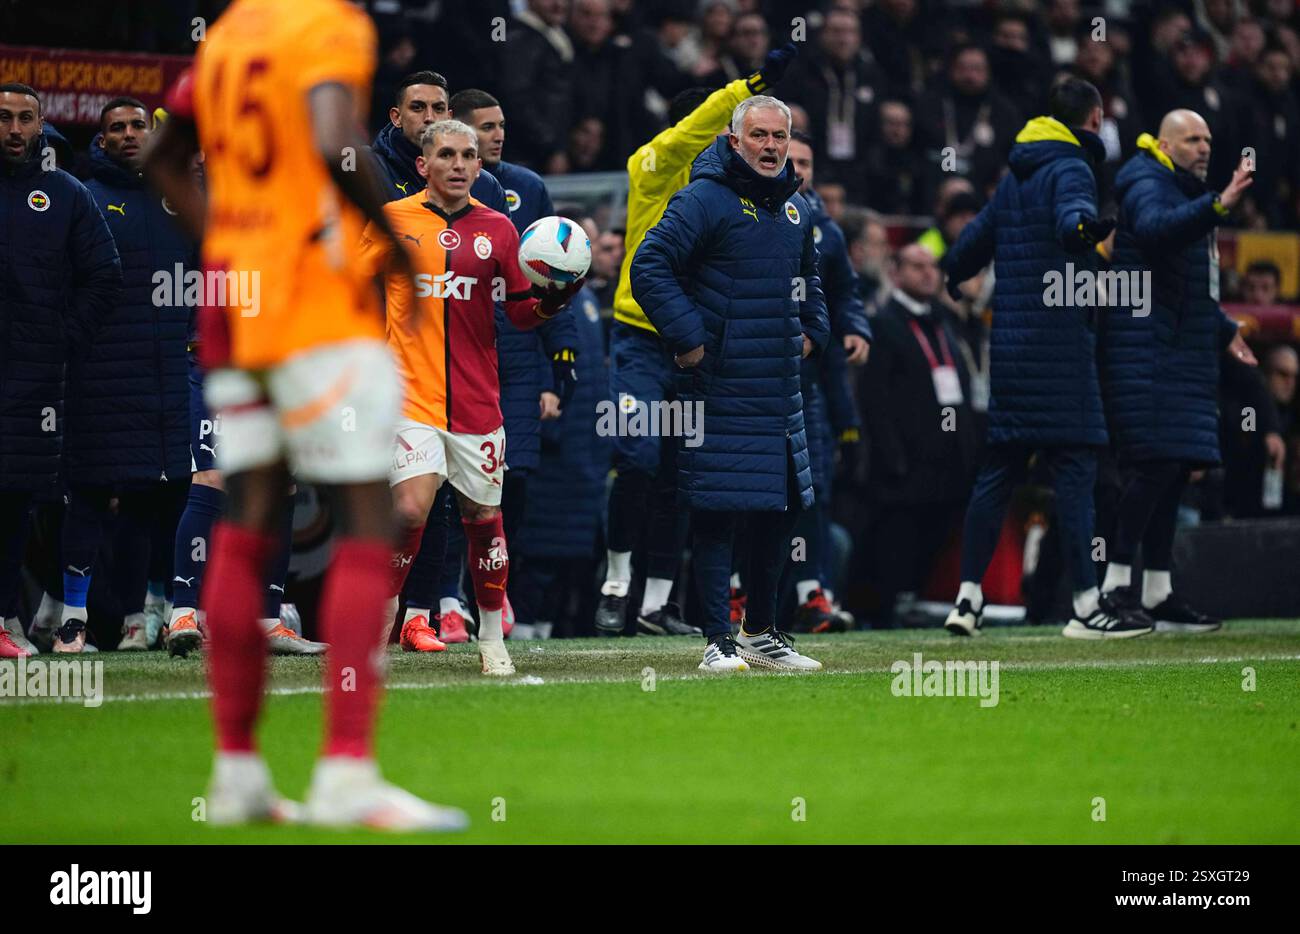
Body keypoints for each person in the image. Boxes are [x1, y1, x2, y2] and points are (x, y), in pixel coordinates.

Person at [145, 0, 465, 831]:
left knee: (246, 514)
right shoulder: (326, 24)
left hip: (236, 301)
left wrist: (229, 237)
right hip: (316, 306)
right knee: (364, 516)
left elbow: (161, 151)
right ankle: (346, 774)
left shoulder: (228, 34)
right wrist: (391, 244)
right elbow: (331, 138)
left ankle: (238, 772)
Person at [363, 119, 581, 673]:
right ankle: (384, 619)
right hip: (410, 400)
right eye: (447, 156)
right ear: (423, 165)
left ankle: (490, 638)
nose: (459, 165)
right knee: (410, 507)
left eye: (469, 157)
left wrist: (553, 304)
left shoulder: (501, 230)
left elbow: (518, 311)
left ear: (479, 167)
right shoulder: (392, 221)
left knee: (483, 515)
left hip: (479, 403)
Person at [940, 77, 1153, 640]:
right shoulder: (1072, 168)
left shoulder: (1015, 177)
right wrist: (1088, 230)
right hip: (1060, 354)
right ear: (1095, 117)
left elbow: (970, 245)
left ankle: (966, 600)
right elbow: (1072, 222)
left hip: (1011, 352)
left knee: (997, 474)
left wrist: (955, 275)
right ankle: (1087, 607)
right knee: (1077, 474)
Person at [599, 43, 798, 639]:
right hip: (639, 337)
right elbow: (690, 133)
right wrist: (746, 86)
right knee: (634, 458)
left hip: (698, 348)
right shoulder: (651, 168)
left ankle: (658, 602)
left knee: (683, 473)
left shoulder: (725, 192)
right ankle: (614, 584)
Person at [632, 94, 830, 671]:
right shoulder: (703, 198)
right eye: (759, 136)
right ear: (734, 139)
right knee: (718, 512)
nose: (770, 147)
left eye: (779, 137)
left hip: (780, 391)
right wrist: (688, 338)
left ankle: (764, 633)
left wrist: (813, 329)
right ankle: (718, 640)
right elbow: (649, 265)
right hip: (719, 387)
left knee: (779, 512)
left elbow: (811, 278)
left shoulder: (796, 210)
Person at [1100, 110, 1257, 633]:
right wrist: (1216, 205)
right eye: (1192, 138)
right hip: (1145, 350)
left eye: (1208, 138)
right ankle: (1114, 586)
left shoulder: (1178, 188)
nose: (1204, 147)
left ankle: (1157, 592)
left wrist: (1224, 327)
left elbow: (1185, 288)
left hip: (1178, 351)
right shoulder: (1147, 182)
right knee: (1153, 468)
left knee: (1174, 471)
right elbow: (1154, 232)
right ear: (1165, 144)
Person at [50, 97, 193, 654]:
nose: (130, 134)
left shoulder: (180, 199)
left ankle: (150, 616)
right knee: (88, 493)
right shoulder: (85, 197)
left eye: (139, 125)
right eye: (117, 128)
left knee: (164, 498)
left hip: (171, 375)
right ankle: (71, 619)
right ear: (102, 139)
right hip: (102, 374)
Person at [0, 83, 121, 659]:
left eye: (25, 119)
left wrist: (61, 340)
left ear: (40, 125)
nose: (15, 130)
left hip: (32, 379)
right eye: (3, 118)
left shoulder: (66, 194)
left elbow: (105, 274)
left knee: (14, 501)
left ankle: (4, 620)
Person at [861, 244, 978, 628]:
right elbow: (874, 398)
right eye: (917, 266)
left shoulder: (945, 319)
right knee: (897, 541)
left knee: (935, 536)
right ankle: (884, 612)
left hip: (948, 460)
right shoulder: (883, 322)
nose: (929, 274)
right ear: (896, 272)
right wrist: (892, 456)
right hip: (904, 464)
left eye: (932, 267)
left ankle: (913, 602)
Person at [783, 130, 870, 632]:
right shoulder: (742, 211)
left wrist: (855, 327)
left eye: (807, 163)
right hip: (749, 377)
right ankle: (736, 591)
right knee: (744, 491)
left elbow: (845, 293)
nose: (799, 170)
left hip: (806, 384)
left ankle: (811, 592)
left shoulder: (825, 230)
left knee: (808, 491)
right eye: (792, 160)